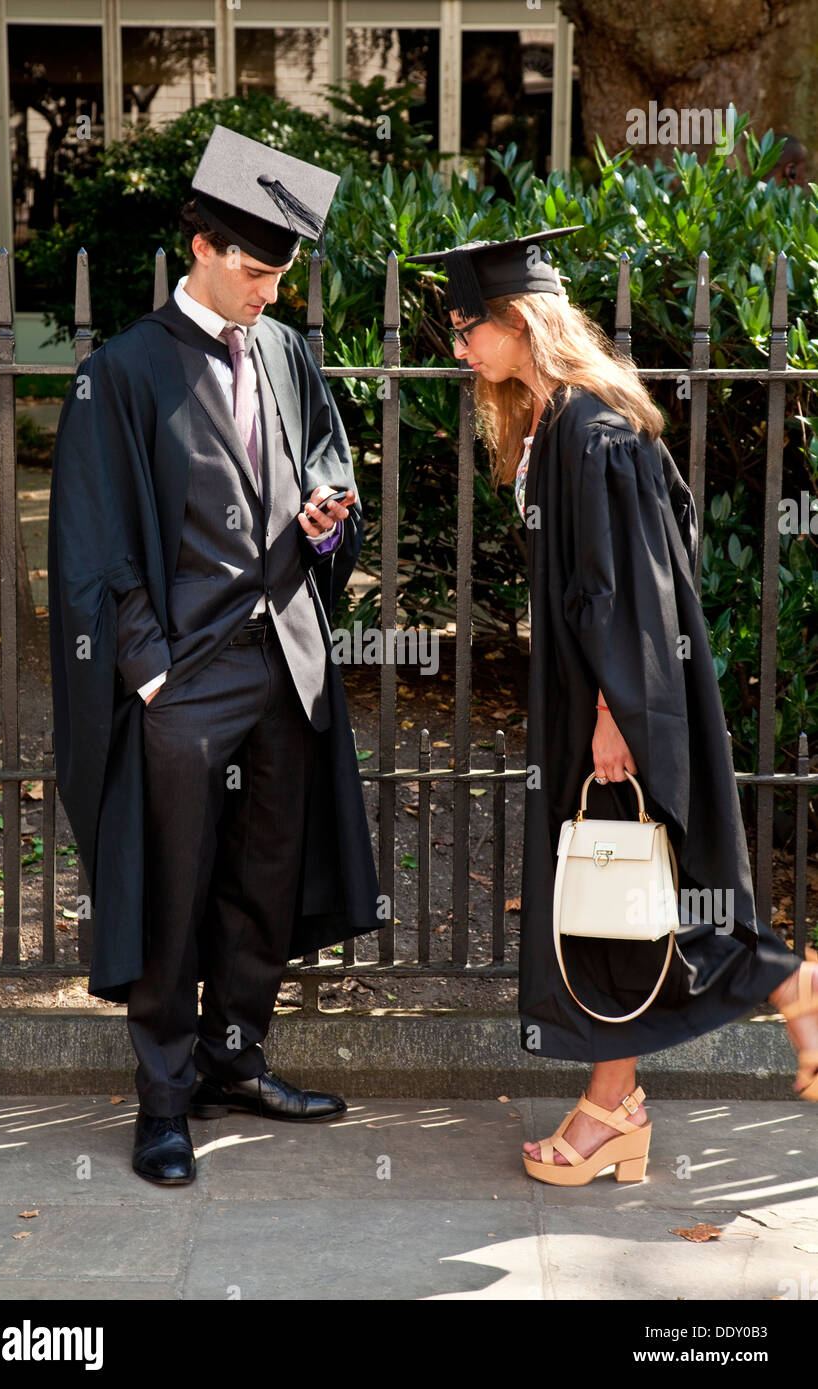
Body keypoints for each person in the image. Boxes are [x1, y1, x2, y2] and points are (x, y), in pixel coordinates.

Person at [409, 231, 818, 1186]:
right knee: (608, 899)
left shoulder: (589, 432)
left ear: (521, 322)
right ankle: (619, 1097)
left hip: (615, 701)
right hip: (590, 696)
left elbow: (623, 592)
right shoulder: (560, 423)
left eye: (470, 328)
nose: (460, 348)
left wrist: (608, 716)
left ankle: (778, 990)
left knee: (636, 889)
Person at [48, 127, 382, 1186]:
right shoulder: (124, 373)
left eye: (282, 274)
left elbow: (327, 460)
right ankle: (162, 1100)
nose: (270, 294)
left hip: (284, 663)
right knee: (170, 889)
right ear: (199, 245)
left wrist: (332, 517)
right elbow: (93, 541)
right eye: (255, 271)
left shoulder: (284, 353)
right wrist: (147, 671)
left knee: (261, 881)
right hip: (183, 680)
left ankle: (236, 1057)